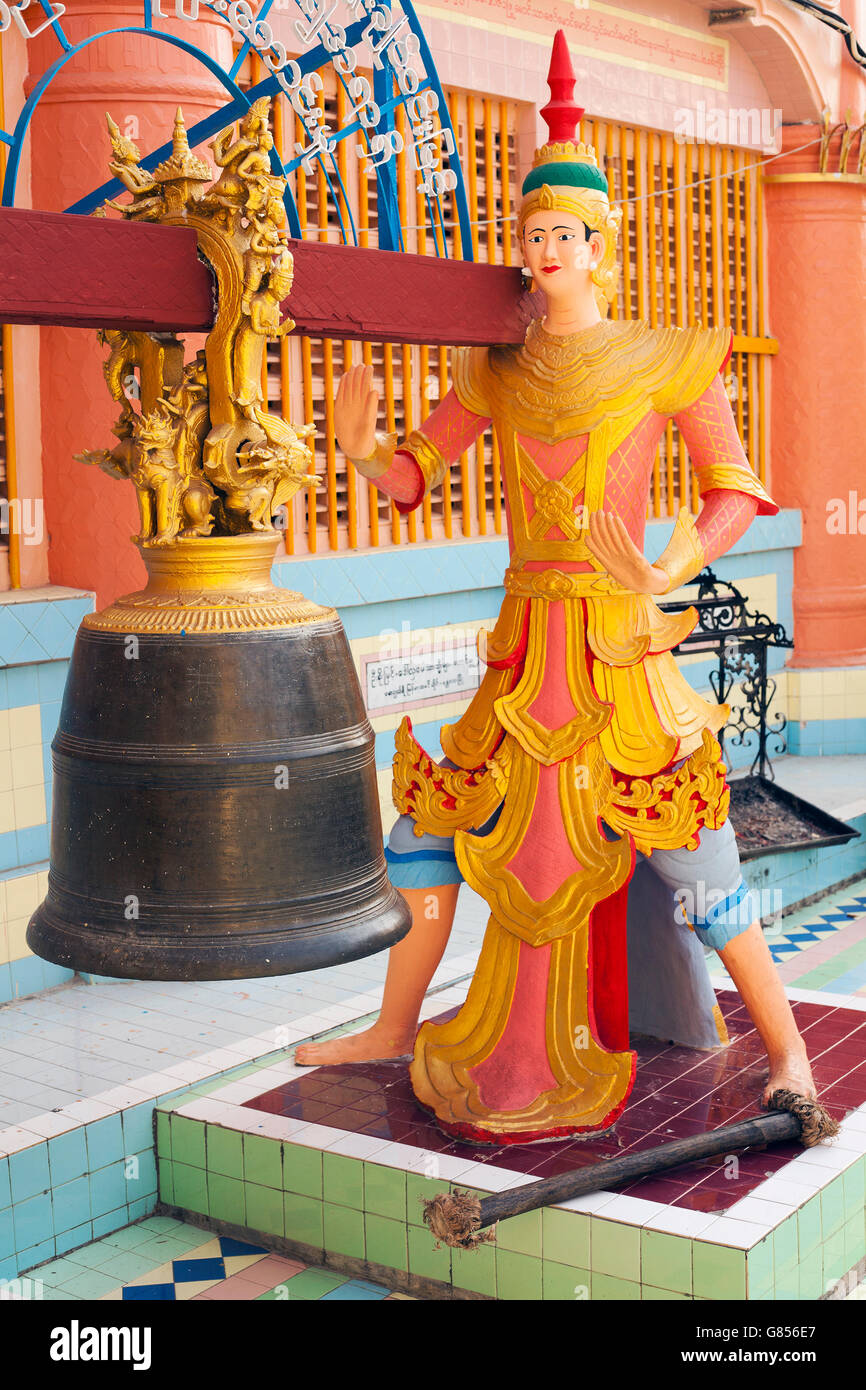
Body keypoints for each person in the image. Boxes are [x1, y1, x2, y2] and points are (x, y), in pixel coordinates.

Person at [296, 33, 816, 1141]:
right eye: (528, 234)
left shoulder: (664, 356)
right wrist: (354, 448)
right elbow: (406, 478)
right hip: (520, 647)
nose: (541, 251)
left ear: (600, 248)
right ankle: (394, 1026)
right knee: (425, 831)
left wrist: (666, 565)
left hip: (620, 653)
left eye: (561, 235)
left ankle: (789, 1055)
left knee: (699, 860)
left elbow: (735, 490)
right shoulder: (494, 367)